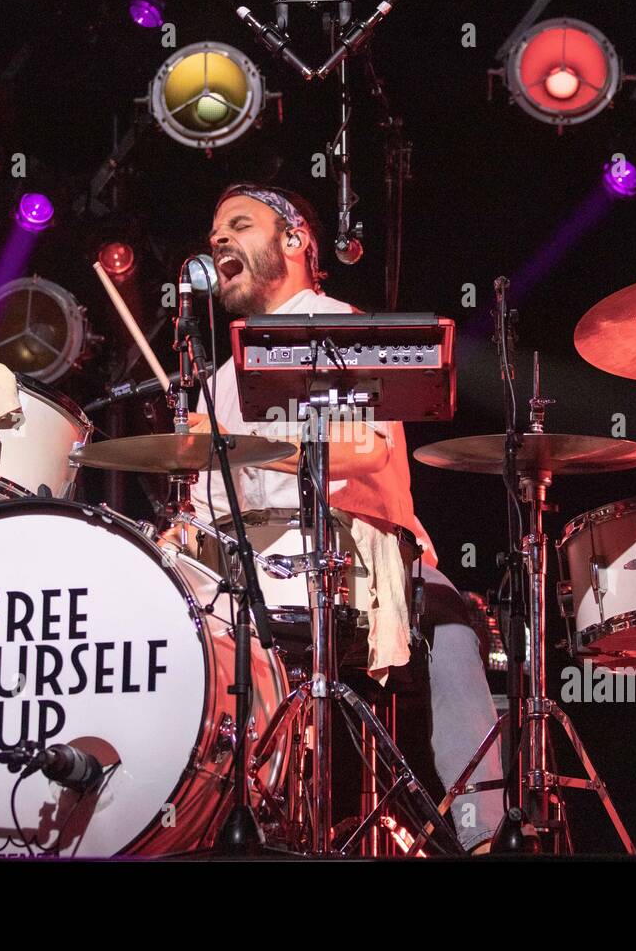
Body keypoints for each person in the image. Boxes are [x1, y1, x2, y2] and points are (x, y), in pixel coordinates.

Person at [186, 183, 503, 853]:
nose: (218, 242)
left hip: (363, 563)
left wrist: (245, 446)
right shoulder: (218, 378)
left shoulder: (335, 327)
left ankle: (485, 833)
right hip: (252, 580)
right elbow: (204, 509)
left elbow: (364, 445)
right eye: (213, 233)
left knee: (452, 629)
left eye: (239, 225)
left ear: (296, 240)